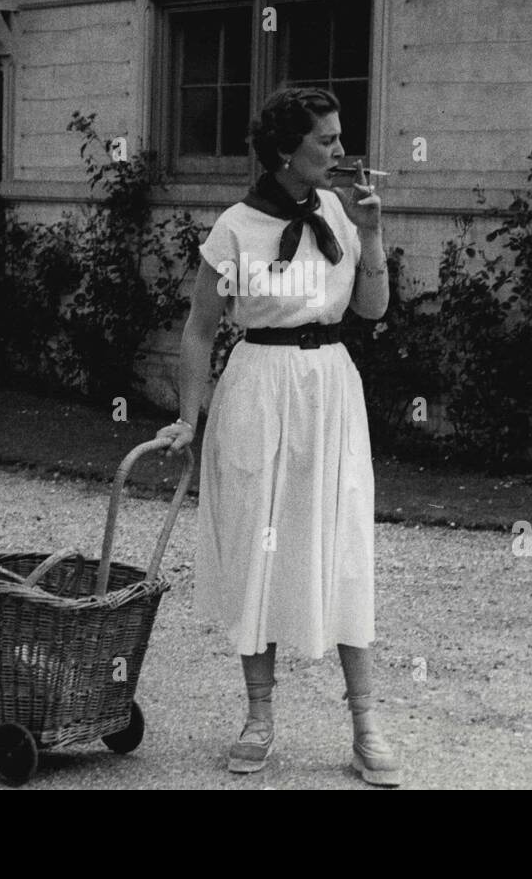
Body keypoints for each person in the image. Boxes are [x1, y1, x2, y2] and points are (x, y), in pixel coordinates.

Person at [155, 86, 400, 787]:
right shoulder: (235, 227)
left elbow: (373, 308)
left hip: (330, 389)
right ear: (287, 150)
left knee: (343, 542)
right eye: (326, 140)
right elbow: (201, 330)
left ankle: (365, 724)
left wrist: (373, 231)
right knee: (259, 543)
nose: (340, 151)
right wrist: (188, 418)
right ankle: (259, 717)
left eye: (339, 137)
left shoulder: (341, 212)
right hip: (258, 389)